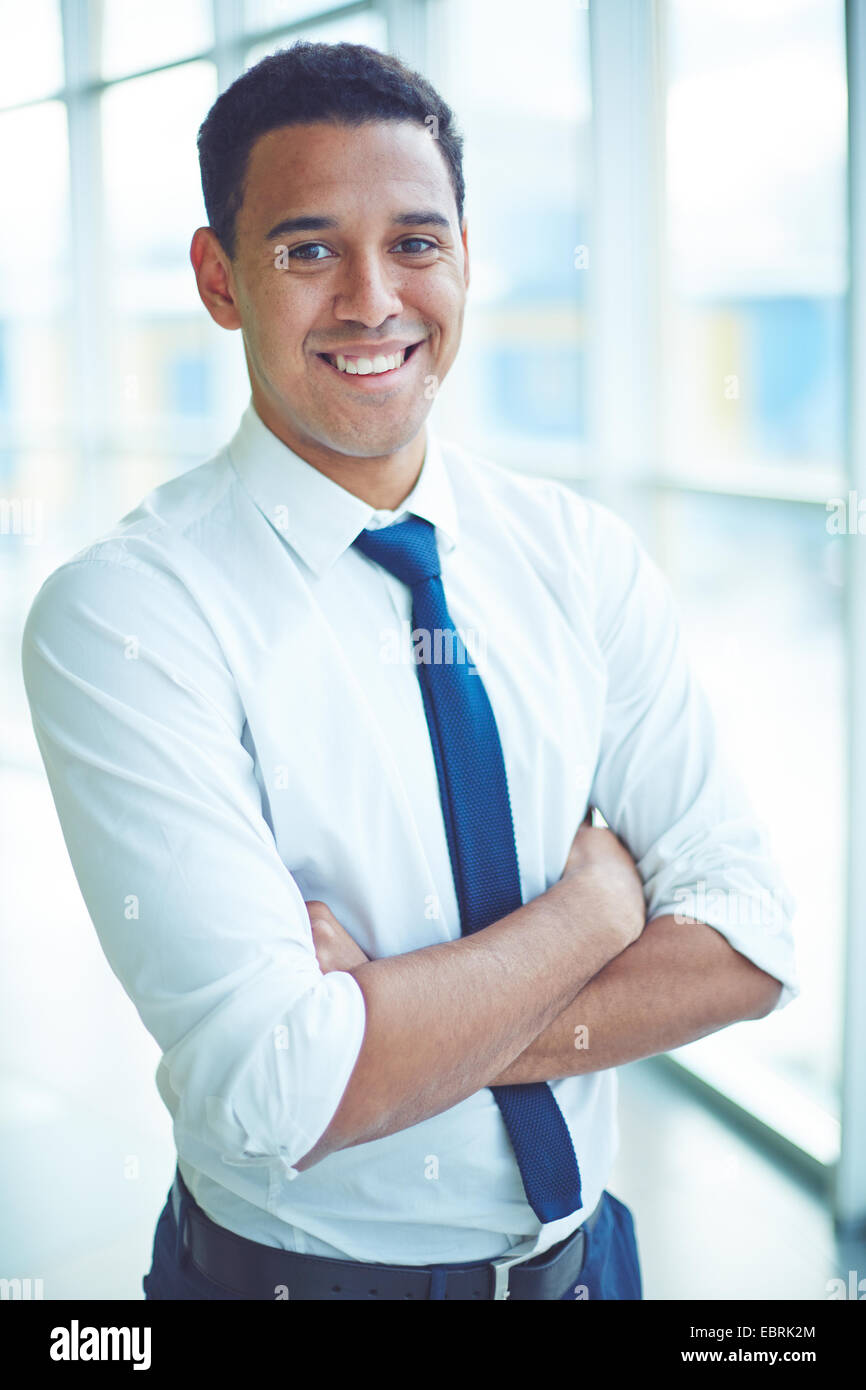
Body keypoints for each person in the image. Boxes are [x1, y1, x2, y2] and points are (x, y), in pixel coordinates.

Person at [21, 41, 798, 1301]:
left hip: (590, 1266)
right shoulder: (123, 616)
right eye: (309, 248)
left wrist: (385, 1031)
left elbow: (748, 943)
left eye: (417, 244)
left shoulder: (577, 554)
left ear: (466, 258)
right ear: (220, 279)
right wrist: (596, 912)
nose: (373, 299)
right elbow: (279, 1093)